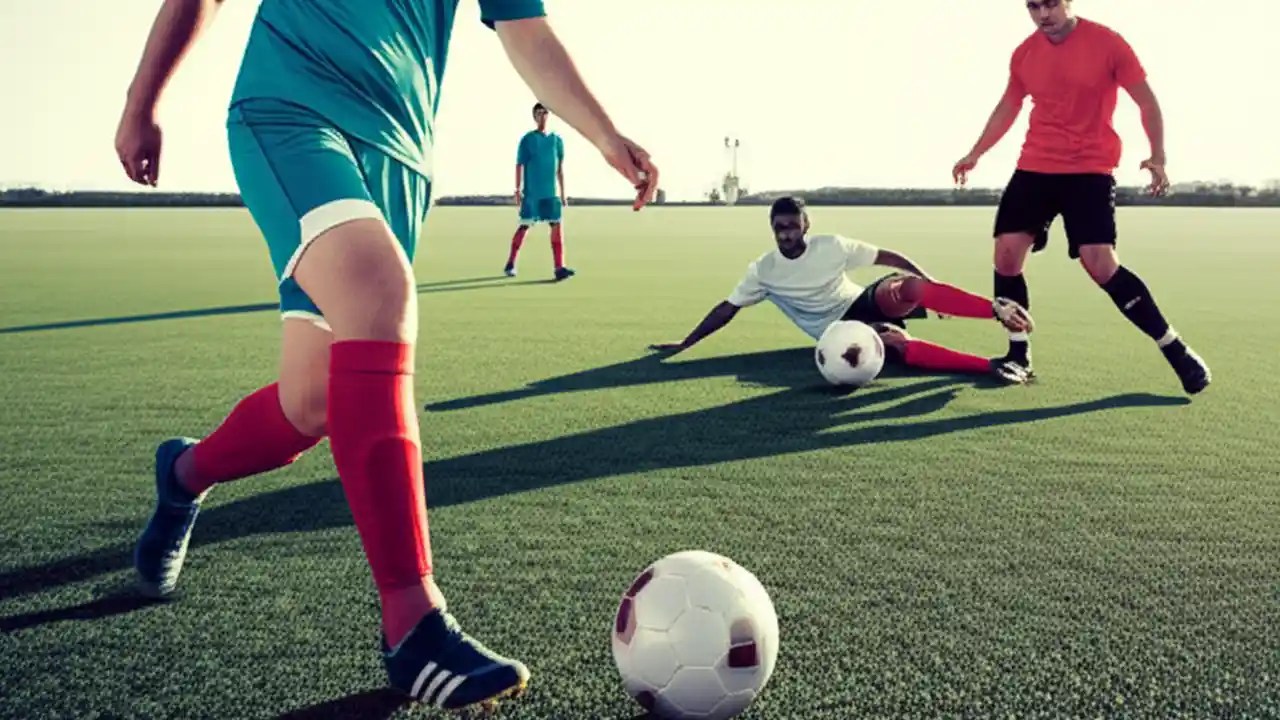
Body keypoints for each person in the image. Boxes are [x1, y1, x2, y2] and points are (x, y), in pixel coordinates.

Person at [113, 0, 658, 711]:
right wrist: (141, 100)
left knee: (311, 403)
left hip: (400, 157)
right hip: (291, 108)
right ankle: (413, 622)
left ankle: (184, 472)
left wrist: (604, 135)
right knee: (379, 292)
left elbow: (525, 31)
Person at [951, 0, 1210, 394]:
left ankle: (1174, 348)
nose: (1043, 14)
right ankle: (1018, 354)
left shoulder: (1108, 43)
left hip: (1089, 170)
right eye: (1033, 6)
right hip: (1035, 166)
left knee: (1100, 264)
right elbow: (1009, 106)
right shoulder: (1024, 54)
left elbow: (1147, 102)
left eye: (1051, 4)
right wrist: (975, 152)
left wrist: (1158, 155)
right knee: (1006, 254)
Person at [650, 197, 1035, 384]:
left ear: (805, 225)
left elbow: (888, 256)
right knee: (896, 345)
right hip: (836, 330)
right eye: (778, 227)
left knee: (909, 287)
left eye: (791, 225)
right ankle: (991, 366)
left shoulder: (831, 246)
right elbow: (727, 308)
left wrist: (928, 283)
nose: (785, 233)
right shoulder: (763, 270)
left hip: (859, 300)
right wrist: (686, 344)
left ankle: (996, 310)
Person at [504, 102, 572, 280]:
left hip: (551, 194)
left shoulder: (556, 140)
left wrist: (563, 193)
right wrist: (517, 190)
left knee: (557, 226)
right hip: (533, 193)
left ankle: (559, 267)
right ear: (534, 117)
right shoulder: (527, 140)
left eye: (545, 112)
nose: (543, 116)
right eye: (539, 113)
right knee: (525, 225)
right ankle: (510, 263)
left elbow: (560, 168)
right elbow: (519, 164)